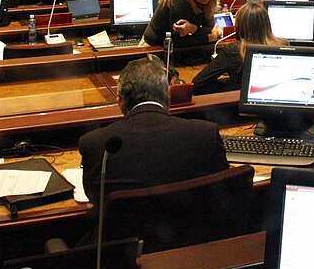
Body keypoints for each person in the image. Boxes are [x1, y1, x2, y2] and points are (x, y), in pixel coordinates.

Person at [77, 56, 228, 210]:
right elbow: (224, 190)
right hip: (194, 230)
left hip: (124, 232)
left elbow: (94, 197)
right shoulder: (205, 134)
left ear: (120, 101)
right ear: (167, 95)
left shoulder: (95, 144)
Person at [191, 0, 284, 95]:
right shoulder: (282, 45)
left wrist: (230, 84)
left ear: (239, 26)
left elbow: (197, 84)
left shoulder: (234, 50)